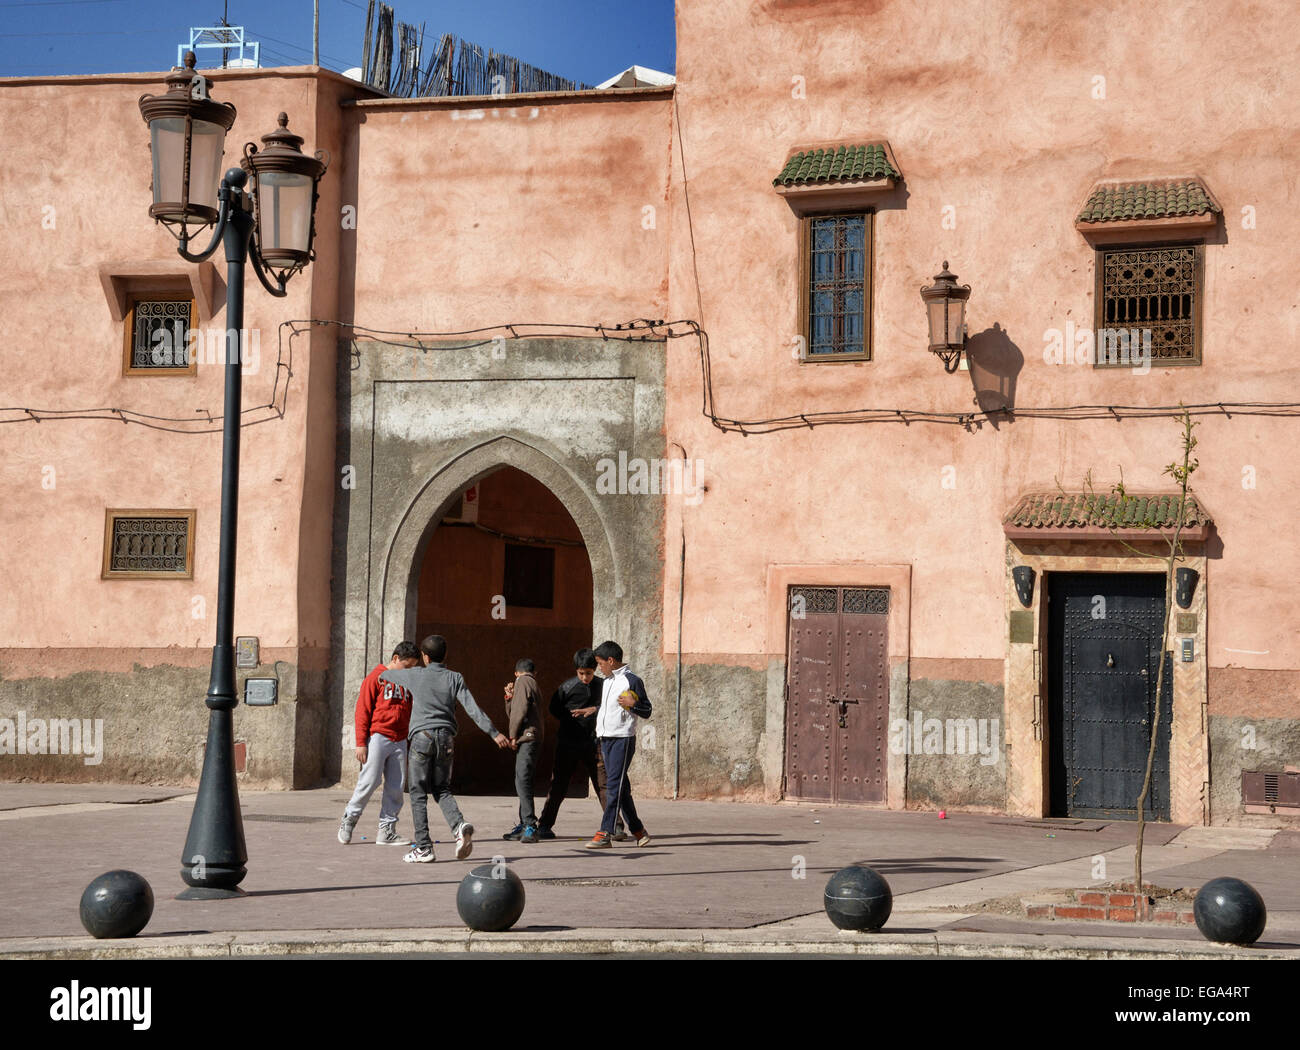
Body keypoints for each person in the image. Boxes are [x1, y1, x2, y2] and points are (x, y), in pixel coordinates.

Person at [380, 634, 511, 863]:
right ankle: (459, 826)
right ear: (446, 656)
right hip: (447, 739)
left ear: (425, 657)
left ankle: (423, 847)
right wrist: (494, 733)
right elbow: (472, 708)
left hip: (422, 737)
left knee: (418, 793)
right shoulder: (455, 677)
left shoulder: (415, 674)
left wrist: (387, 673)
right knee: (442, 789)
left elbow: (385, 674)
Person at [534, 648, 626, 841]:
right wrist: (570, 721)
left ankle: (615, 825)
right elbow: (554, 709)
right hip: (568, 743)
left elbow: (613, 707)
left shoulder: (604, 686)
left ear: (595, 670)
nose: (585, 677)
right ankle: (544, 825)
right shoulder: (566, 688)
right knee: (559, 784)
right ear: (576, 671)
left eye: (589, 673)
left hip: (595, 743)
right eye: (581, 673)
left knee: (603, 785)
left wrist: (595, 711)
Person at [338, 641, 421, 846]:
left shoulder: (407, 683)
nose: (409, 671)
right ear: (395, 659)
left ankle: (387, 830)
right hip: (378, 737)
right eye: (407, 666)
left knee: (396, 785)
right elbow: (362, 711)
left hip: (400, 739)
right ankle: (349, 819)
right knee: (369, 781)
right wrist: (360, 743)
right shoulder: (375, 678)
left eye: (413, 667)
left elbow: (410, 709)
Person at [586, 640, 653, 849]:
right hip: (605, 738)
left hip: (622, 739)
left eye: (600, 663)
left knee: (614, 784)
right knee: (620, 787)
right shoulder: (607, 681)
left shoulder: (632, 680)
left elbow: (647, 710)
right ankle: (638, 831)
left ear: (611, 660)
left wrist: (635, 705)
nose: (599, 667)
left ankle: (606, 832)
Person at [502, 658, 545, 842]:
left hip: (527, 737)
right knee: (523, 779)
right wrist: (510, 698)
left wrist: (512, 735)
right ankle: (523, 824)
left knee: (522, 780)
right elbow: (516, 709)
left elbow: (519, 711)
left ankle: (529, 825)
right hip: (532, 737)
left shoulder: (523, 681)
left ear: (516, 673)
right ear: (535, 672)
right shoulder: (531, 682)